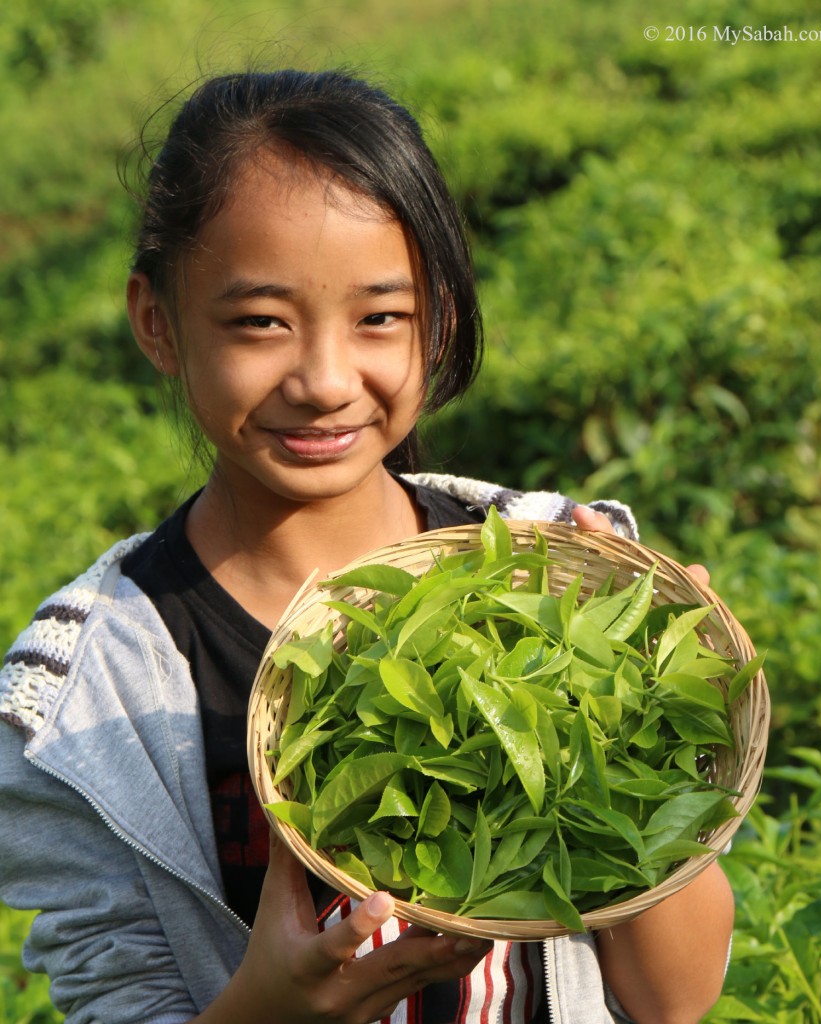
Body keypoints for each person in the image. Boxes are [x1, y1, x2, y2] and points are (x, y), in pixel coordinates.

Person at [0, 69, 734, 1024]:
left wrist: (646, 722)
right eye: (261, 322)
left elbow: (672, 1001)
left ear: (441, 320)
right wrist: (271, 1008)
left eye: (380, 317)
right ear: (158, 321)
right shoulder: (80, 701)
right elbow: (116, 992)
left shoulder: (552, 586)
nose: (326, 379)